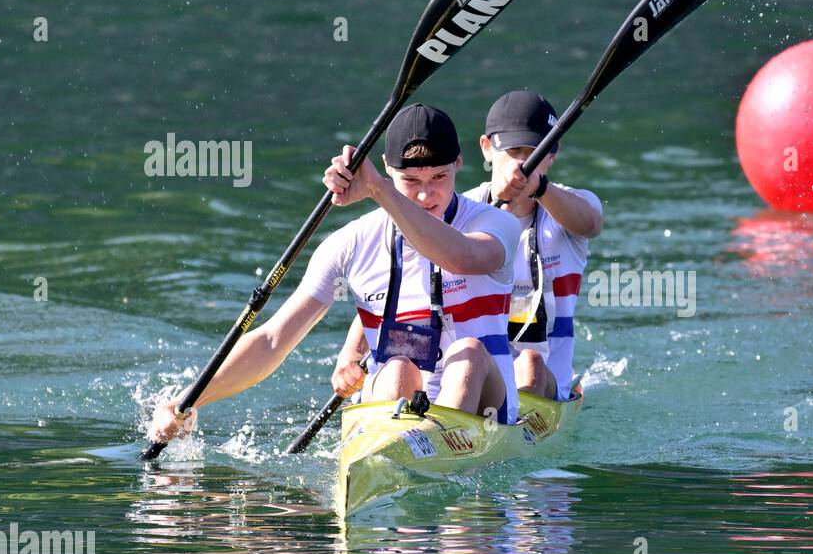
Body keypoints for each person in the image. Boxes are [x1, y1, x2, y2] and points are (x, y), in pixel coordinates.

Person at [148, 104, 522, 443]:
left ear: (459, 164)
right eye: (410, 182)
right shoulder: (350, 243)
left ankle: (438, 453)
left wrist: (378, 190)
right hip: (392, 408)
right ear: (390, 170)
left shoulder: (496, 223)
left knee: (469, 353)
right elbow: (273, 340)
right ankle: (398, 456)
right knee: (396, 371)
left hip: (483, 412)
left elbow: (461, 257)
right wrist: (187, 403)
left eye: (438, 177)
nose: (426, 196)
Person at [330, 90, 602, 404]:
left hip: (539, 384)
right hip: (465, 374)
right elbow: (390, 283)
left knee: (529, 363)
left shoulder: (571, 207)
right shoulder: (451, 209)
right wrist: (352, 352)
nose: (525, 162)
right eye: (514, 150)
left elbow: (591, 224)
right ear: (486, 148)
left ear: (553, 155)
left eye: (537, 151)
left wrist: (539, 188)